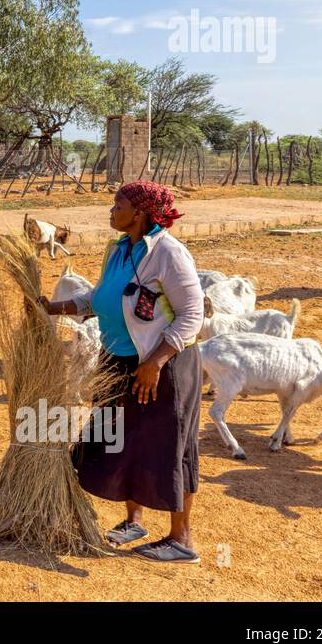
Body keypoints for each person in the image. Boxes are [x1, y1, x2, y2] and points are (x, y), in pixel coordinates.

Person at [35, 181, 205, 563]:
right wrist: (55, 308)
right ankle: (134, 521)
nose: (111, 211)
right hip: (120, 360)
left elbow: (192, 315)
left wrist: (155, 363)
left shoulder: (169, 253)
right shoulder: (119, 249)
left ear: (140, 213)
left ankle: (181, 540)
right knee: (121, 438)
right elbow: (99, 298)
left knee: (171, 445)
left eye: (119, 204)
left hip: (165, 366)